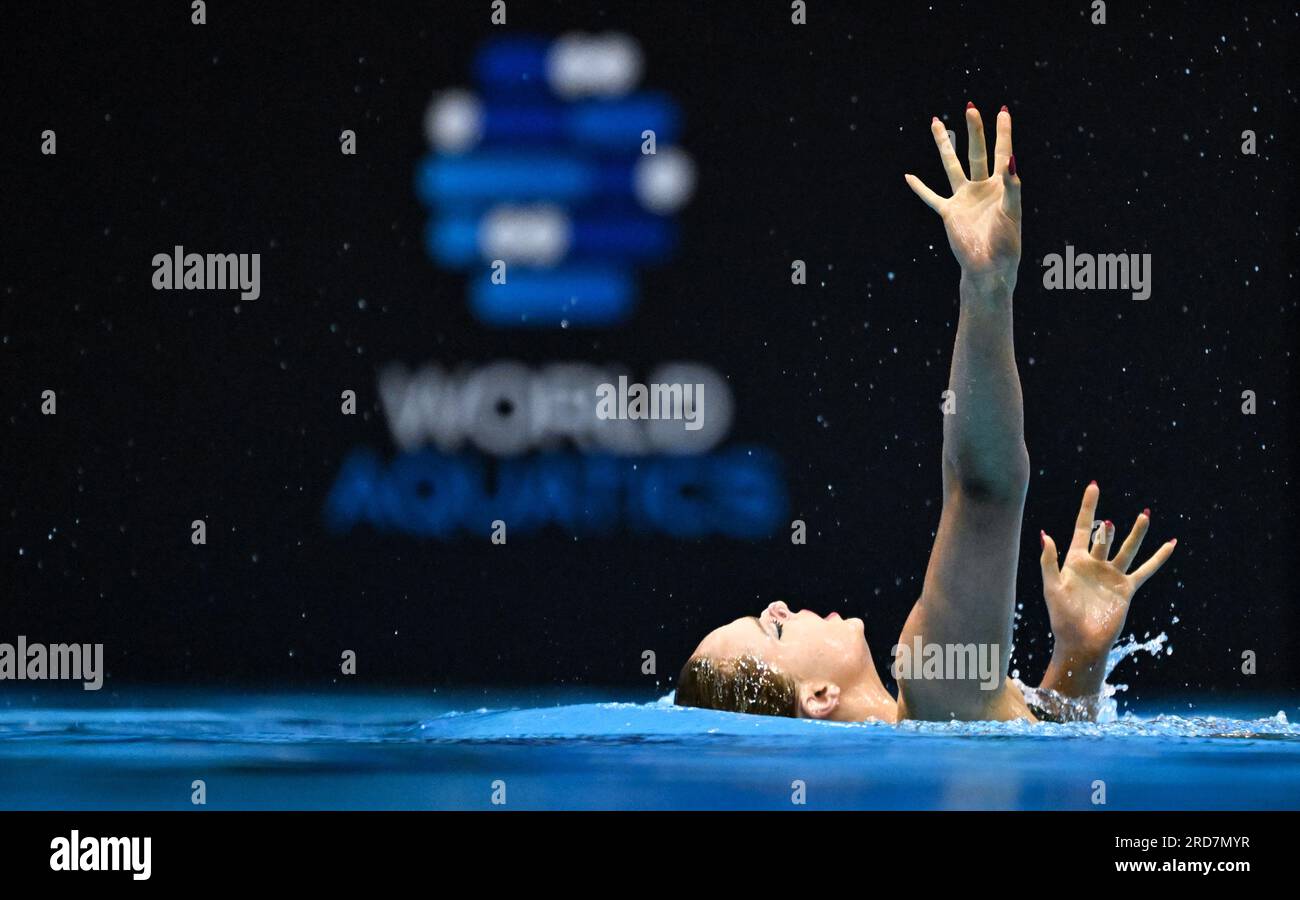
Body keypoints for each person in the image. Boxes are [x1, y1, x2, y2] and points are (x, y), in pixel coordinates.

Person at [674, 105, 1177, 723]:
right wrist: (987, 288)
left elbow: (1037, 752)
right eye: (769, 630)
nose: (776, 605)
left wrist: (1078, 655)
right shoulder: (931, 676)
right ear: (818, 697)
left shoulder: (934, 709)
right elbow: (985, 489)